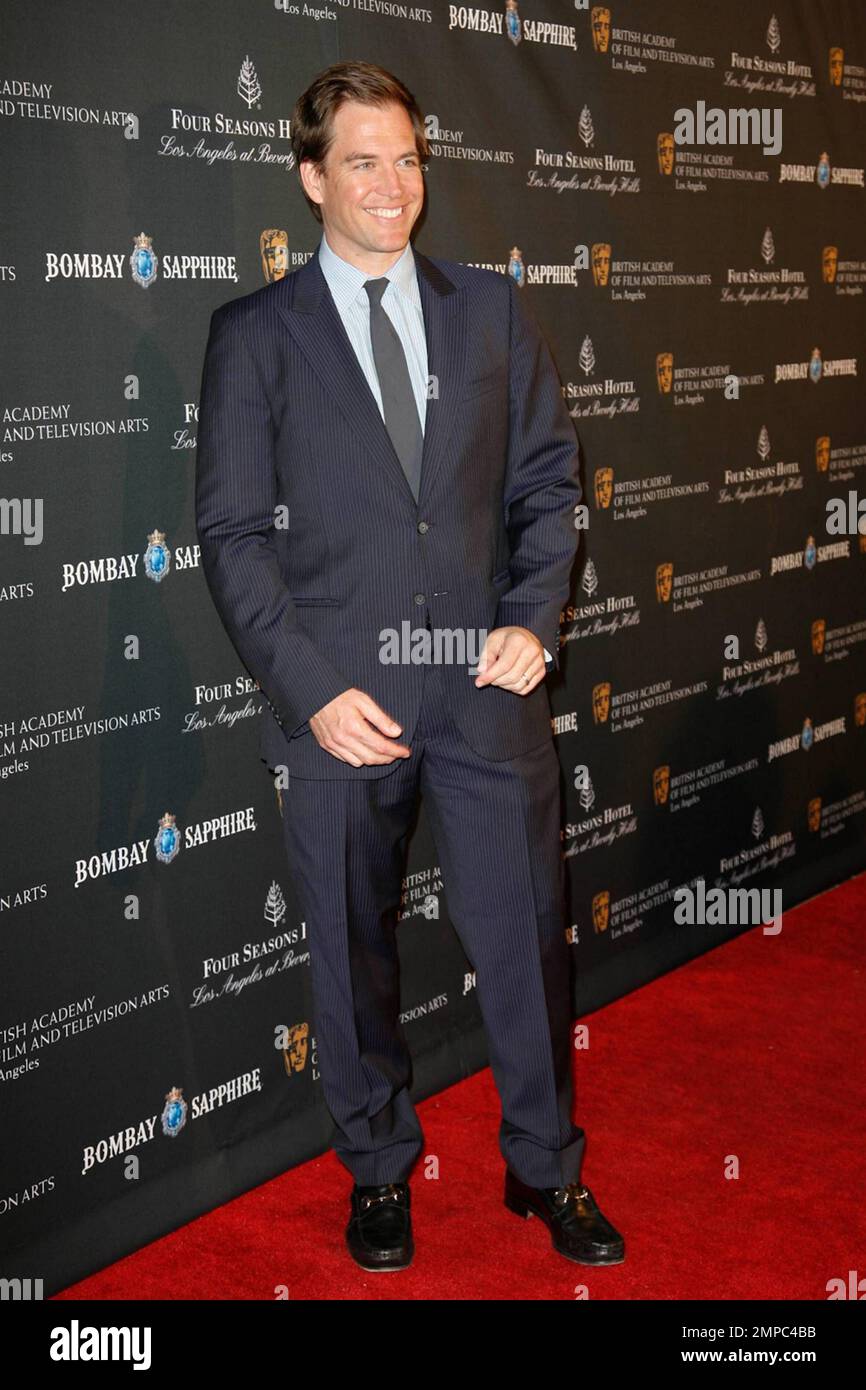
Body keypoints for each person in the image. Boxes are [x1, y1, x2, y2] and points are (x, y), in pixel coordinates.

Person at [196, 59, 624, 1273]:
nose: (395, 184)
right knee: (350, 950)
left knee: (530, 938)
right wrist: (309, 689)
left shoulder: (488, 310)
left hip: (485, 695)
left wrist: (536, 621)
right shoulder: (254, 335)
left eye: (408, 158)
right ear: (310, 176)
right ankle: (377, 1170)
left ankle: (544, 1170)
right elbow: (230, 535)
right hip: (338, 704)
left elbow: (548, 487)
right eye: (365, 161)